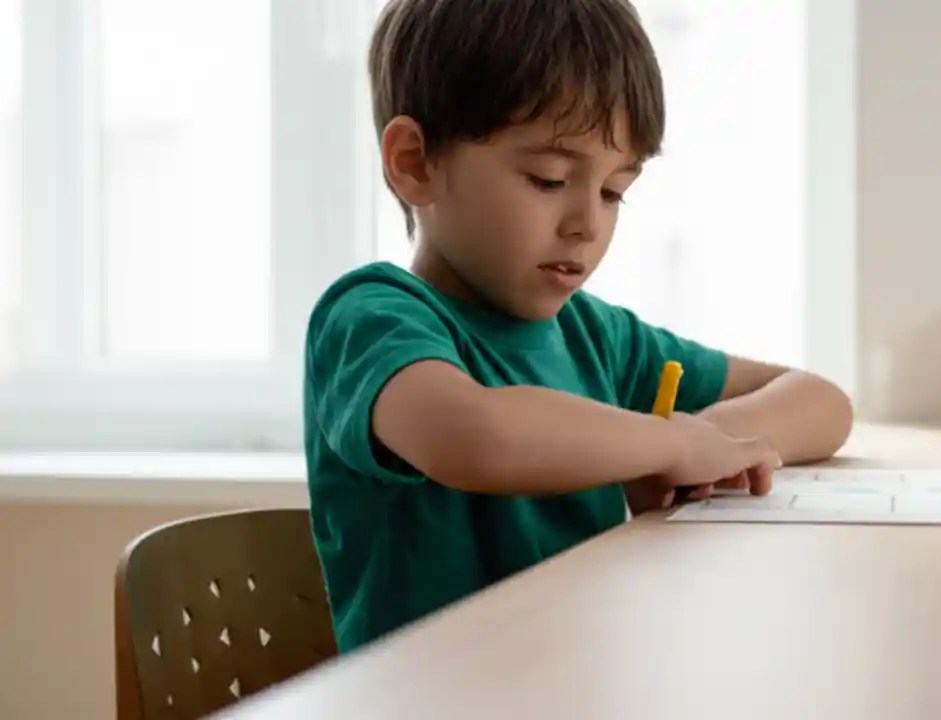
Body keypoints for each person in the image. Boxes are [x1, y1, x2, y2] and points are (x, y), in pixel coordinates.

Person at [303, 0, 854, 652]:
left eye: (614, 190)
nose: (588, 225)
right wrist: (666, 445)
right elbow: (476, 435)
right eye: (550, 178)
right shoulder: (370, 318)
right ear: (416, 162)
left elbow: (822, 402)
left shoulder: (595, 337)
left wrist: (703, 442)